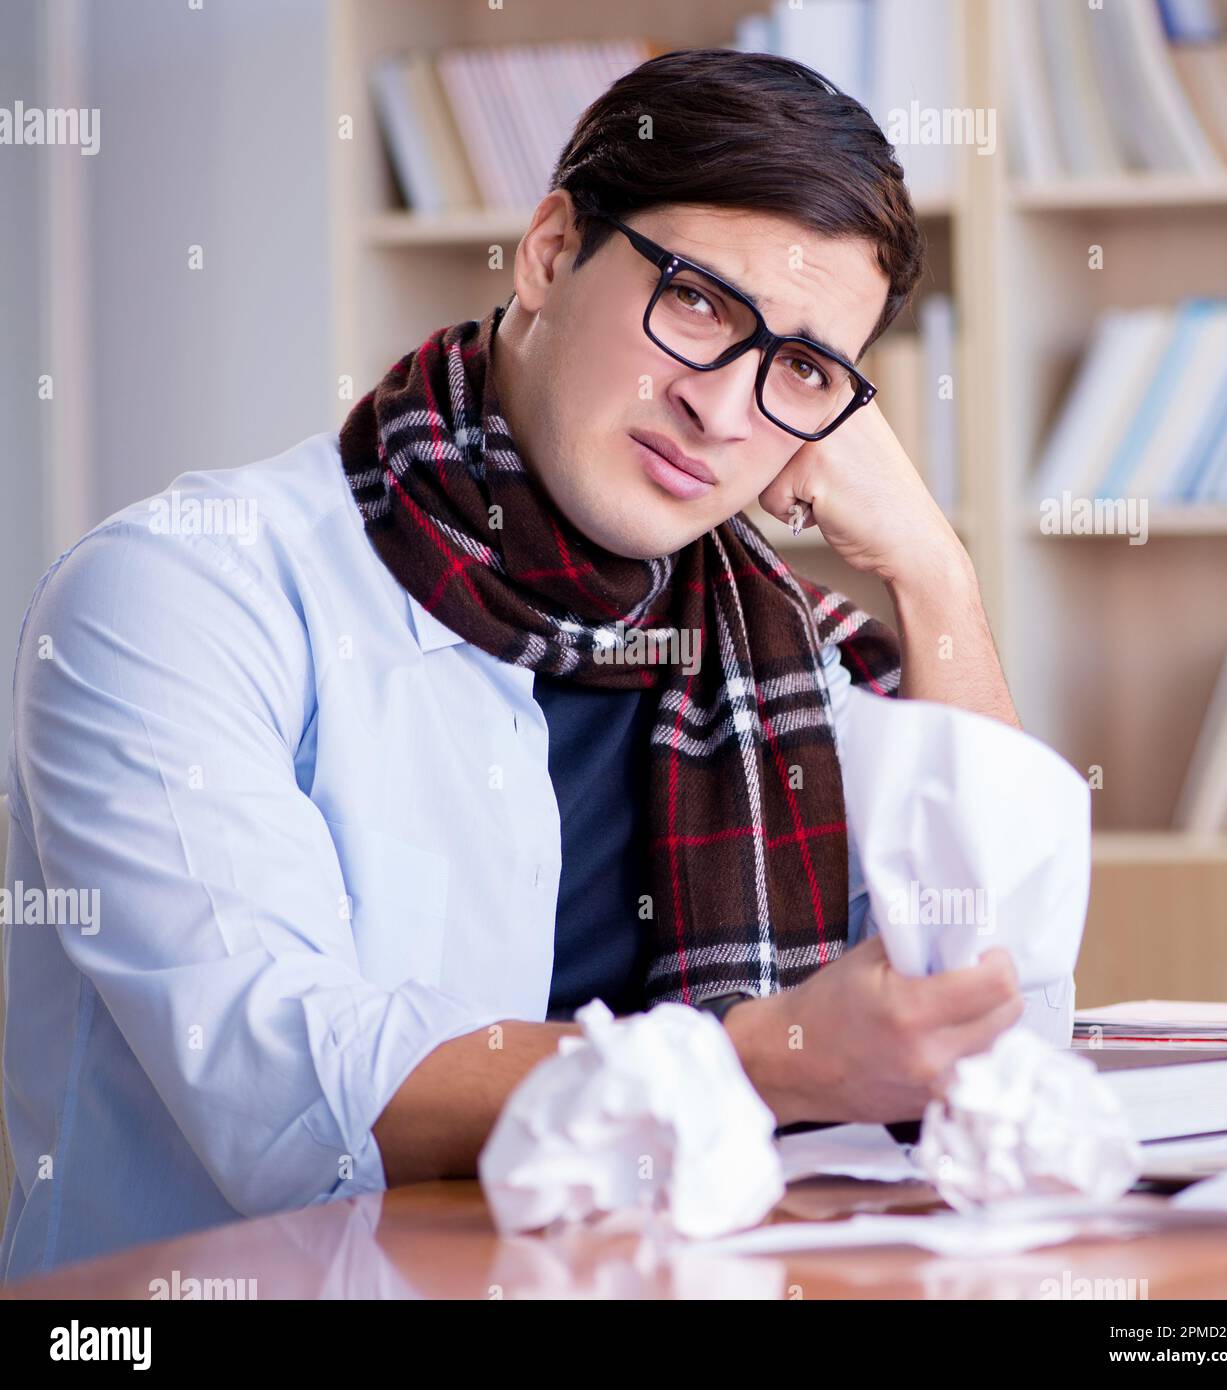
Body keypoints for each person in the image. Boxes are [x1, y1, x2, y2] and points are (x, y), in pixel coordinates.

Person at [1, 49, 1067, 1280]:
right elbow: (298, 1098)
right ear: (552, 251)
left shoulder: (791, 650)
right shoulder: (179, 592)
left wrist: (938, 576)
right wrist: (762, 1062)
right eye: (703, 305)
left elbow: (1003, 1031)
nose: (724, 412)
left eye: (803, 371)